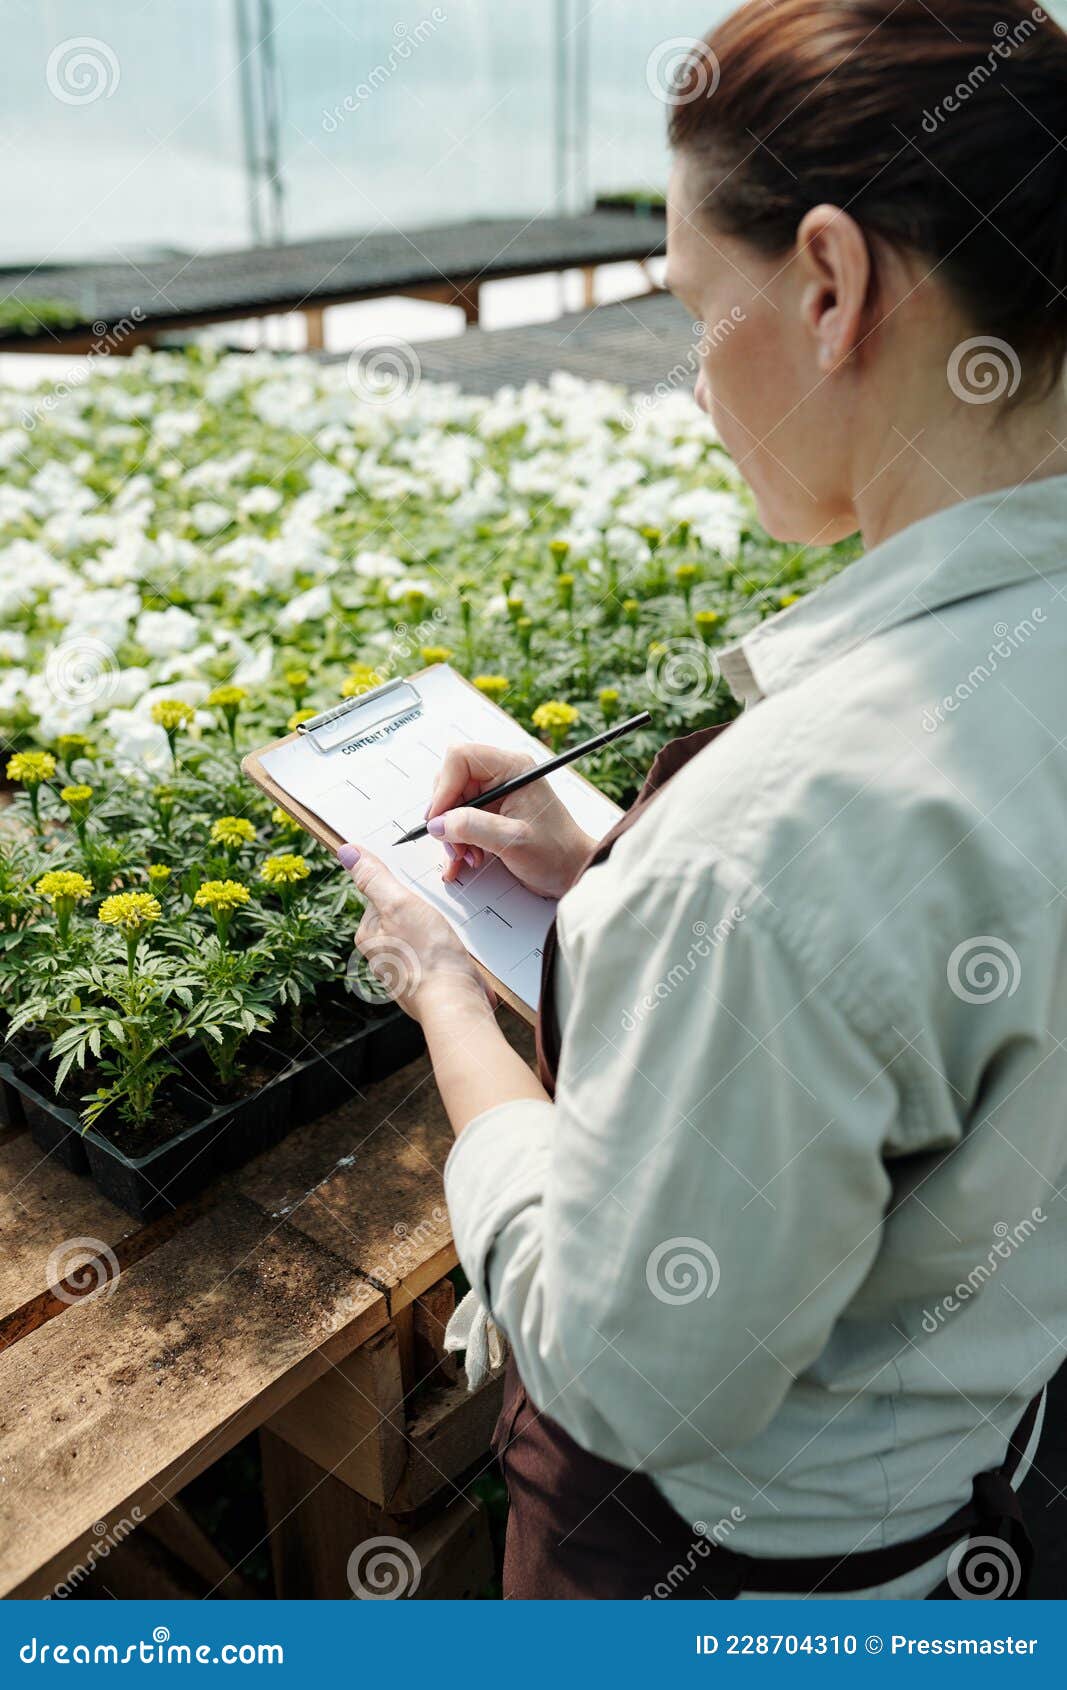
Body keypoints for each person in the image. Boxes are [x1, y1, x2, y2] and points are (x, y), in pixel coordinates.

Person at [337, 0, 1067, 1598]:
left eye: (687, 304)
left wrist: (450, 997)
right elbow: (918, 978)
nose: (688, 379)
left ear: (829, 281)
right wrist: (615, 853)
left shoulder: (795, 829)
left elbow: (628, 1365)